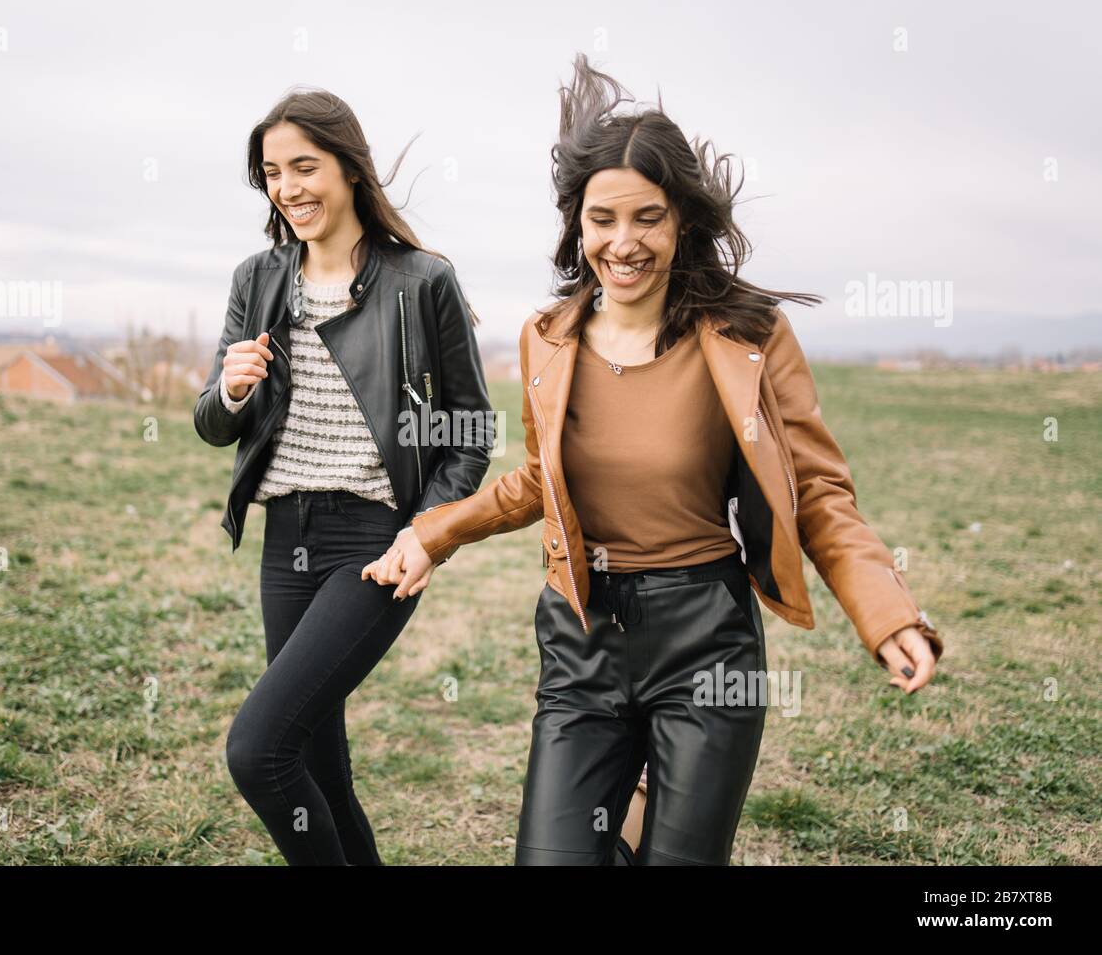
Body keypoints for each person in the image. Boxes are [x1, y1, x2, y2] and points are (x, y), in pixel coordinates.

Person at [363, 54, 943, 865]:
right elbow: (541, 480)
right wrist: (436, 532)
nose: (623, 242)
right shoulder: (547, 339)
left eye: (648, 218)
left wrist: (886, 616)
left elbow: (814, 489)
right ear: (577, 225)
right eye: (603, 219)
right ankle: (630, 805)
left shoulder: (748, 337)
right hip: (581, 636)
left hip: (706, 640)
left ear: (682, 224)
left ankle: (645, 811)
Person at [195, 87, 494, 864]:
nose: (288, 187)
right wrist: (230, 389)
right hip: (284, 540)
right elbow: (211, 421)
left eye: (305, 166)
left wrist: (426, 532)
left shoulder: (420, 282)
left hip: (374, 543)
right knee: (317, 765)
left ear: (350, 169)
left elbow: (468, 433)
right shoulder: (256, 278)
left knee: (258, 751)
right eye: (271, 172)